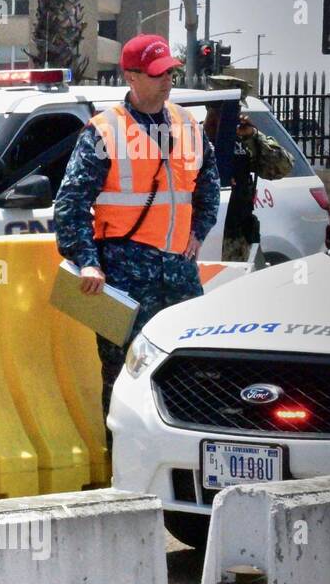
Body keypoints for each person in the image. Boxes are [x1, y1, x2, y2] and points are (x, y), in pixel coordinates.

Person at [55, 34, 221, 426]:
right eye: (157, 73)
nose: (167, 80)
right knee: (125, 377)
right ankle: (122, 475)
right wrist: (87, 262)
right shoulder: (105, 130)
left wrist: (198, 232)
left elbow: (208, 184)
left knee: (190, 371)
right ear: (132, 77)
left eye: (171, 72)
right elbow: (71, 203)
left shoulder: (187, 124)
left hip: (179, 273)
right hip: (123, 274)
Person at [202, 77, 293, 262]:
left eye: (235, 109)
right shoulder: (195, 140)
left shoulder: (242, 143)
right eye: (219, 110)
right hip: (205, 239)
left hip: (237, 239)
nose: (233, 115)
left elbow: (283, 166)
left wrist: (252, 137)